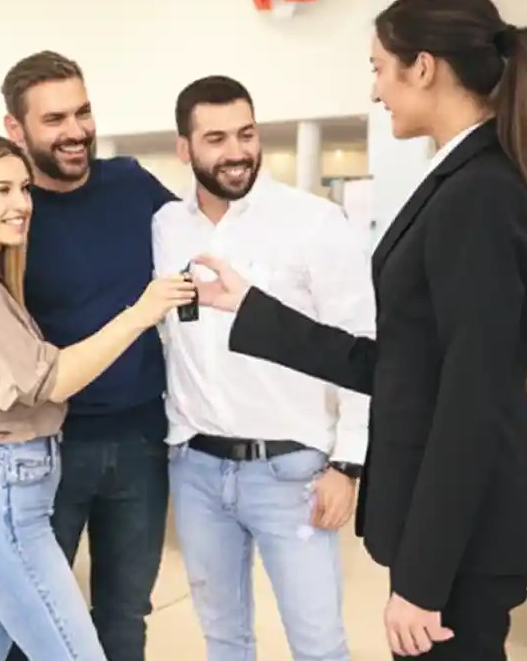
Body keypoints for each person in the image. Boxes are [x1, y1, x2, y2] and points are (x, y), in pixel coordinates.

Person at [193, 0, 527, 660]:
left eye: (378, 68)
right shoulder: (466, 178)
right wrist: (252, 307)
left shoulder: (478, 193)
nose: (375, 90)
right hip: (458, 530)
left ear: (423, 67)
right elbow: (404, 365)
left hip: (463, 540)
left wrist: (424, 581)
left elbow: (471, 400)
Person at [0, 133, 195, 661]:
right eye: (1, 190)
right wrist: (140, 313)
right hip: (2, 502)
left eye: (23, 188)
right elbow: (47, 381)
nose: (21, 203)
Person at [153, 75, 376, 661]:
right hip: (197, 469)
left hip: (293, 472)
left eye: (246, 134)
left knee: (318, 645)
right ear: (184, 149)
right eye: (216, 138)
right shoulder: (166, 226)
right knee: (224, 639)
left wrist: (347, 464)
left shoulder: (314, 222)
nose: (237, 152)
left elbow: (362, 347)